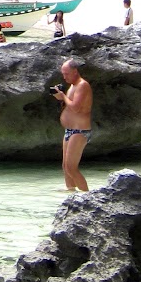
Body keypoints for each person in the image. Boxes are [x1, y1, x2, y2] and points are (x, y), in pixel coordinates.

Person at [49, 59, 92, 191]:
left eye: (66, 73)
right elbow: (68, 107)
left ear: (75, 72)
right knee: (65, 166)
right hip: (69, 130)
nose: (64, 77)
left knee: (71, 168)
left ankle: (87, 196)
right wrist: (60, 98)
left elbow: (75, 107)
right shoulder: (72, 86)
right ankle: (71, 194)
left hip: (80, 131)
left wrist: (63, 96)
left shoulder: (82, 85)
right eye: (63, 74)